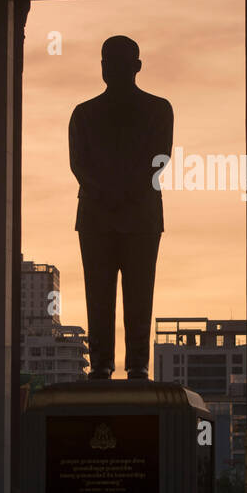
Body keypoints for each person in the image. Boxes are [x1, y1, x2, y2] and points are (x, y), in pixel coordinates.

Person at [69, 35, 174, 381]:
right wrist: (114, 193)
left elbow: (159, 158)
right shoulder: (83, 114)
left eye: (117, 62)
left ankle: (137, 364)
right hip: (106, 215)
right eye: (106, 62)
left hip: (133, 215)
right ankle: (101, 363)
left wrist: (115, 193)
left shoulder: (159, 109)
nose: (110, 68)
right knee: (98, 295)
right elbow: (78, 164)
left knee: (138, 294)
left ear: (137, 67)